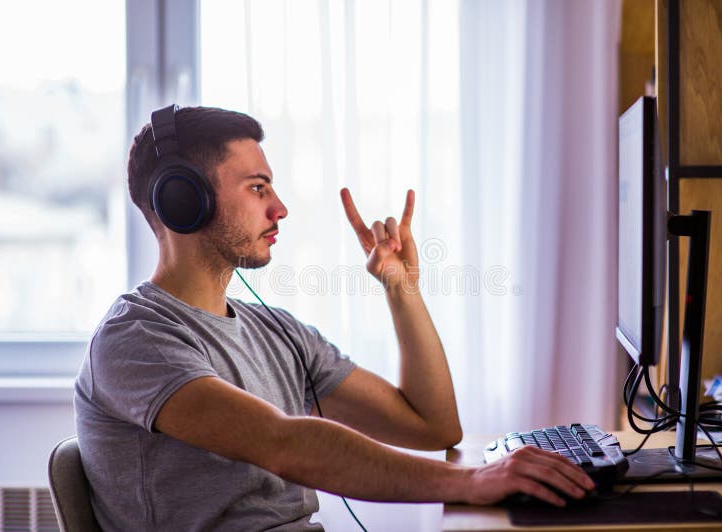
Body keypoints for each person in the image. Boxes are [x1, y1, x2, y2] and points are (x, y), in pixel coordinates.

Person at [74, 105, 595, 531]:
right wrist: (472, 482)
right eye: (258, 188)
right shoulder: (135, 339)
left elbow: (433, 426)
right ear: (182, 200)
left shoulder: (275, 331)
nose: (280, 208)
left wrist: (402, 290)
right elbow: (283, 443)